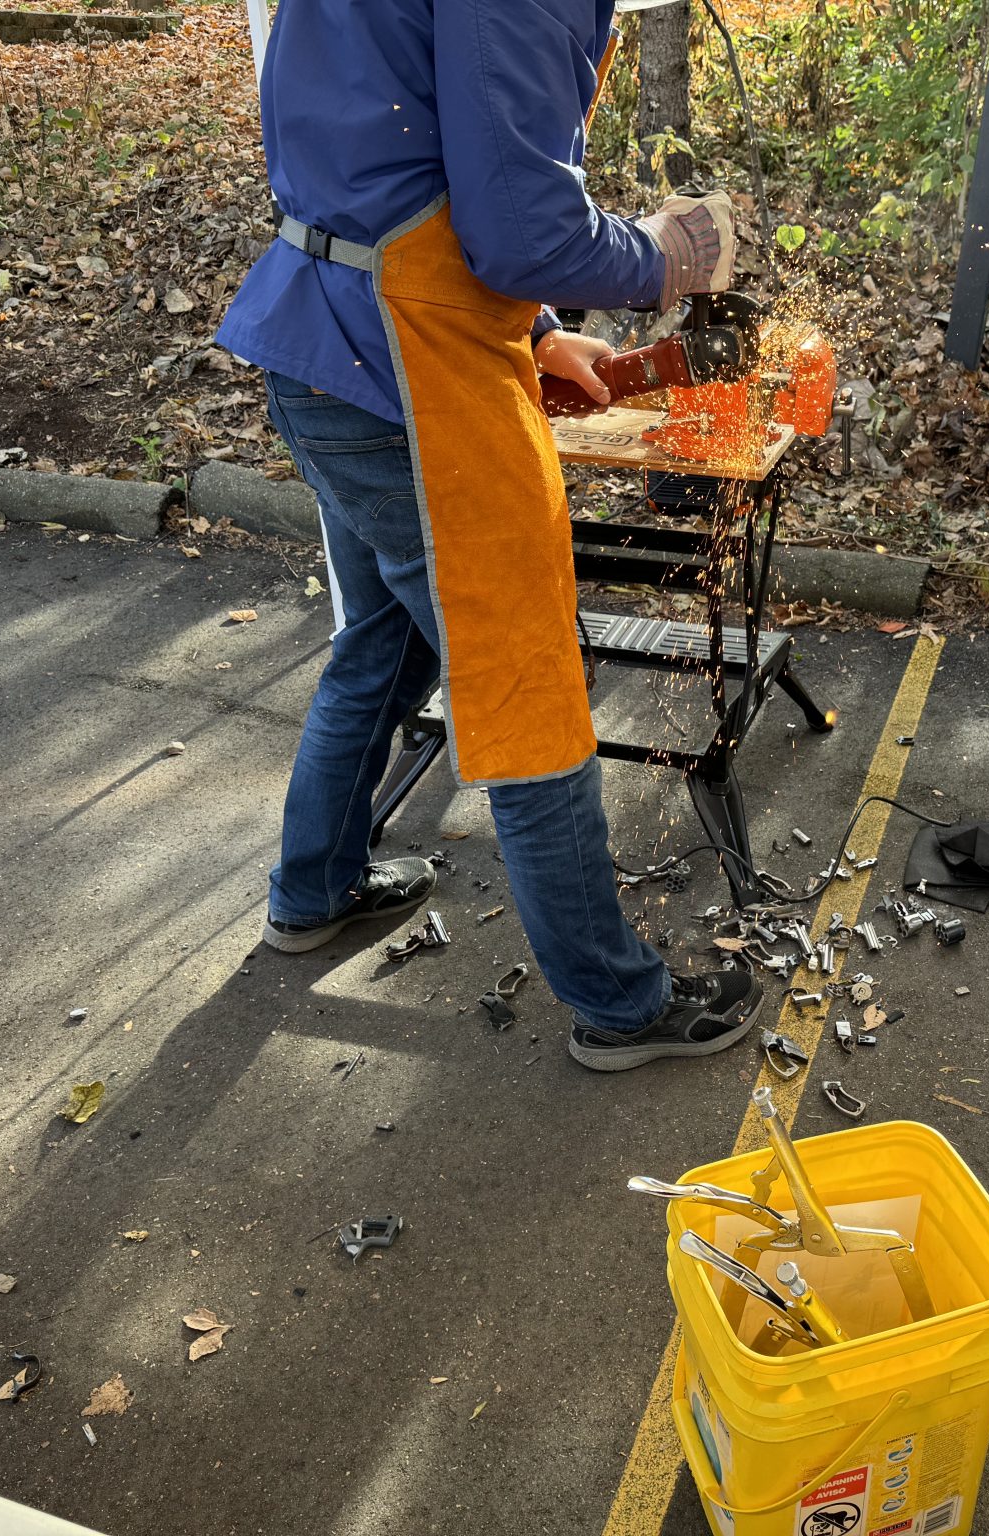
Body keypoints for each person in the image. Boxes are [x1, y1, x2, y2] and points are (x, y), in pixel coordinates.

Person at [216, 0, 763, 1072]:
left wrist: (543, 334)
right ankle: (618, 1002)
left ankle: (313, 889)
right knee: (525, 689)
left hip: (321, 349)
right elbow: (525, 234)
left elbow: (394, 160)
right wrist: (667, 255)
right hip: (406, 375)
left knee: (385, 642)